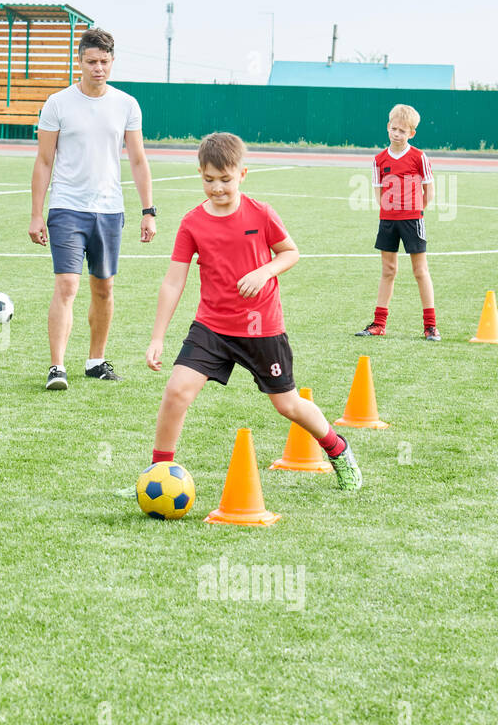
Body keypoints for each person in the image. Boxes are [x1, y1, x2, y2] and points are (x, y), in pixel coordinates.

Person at [146, 132, 362, 490]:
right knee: (176, 391)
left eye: (226, 180)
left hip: (261, 328)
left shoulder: (261, 214)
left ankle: (339, 450)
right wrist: (157, 337)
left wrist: (264, 272)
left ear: (242, 174)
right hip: (212, 326)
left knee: (288, 405)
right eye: (209, 180)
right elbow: (173, 281)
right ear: (200, 173)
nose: (217, 188)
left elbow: (290, 252)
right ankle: (156, 475)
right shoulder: (191, 223)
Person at [29, 27, 155, 390]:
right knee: (67, 285)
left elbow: (138, 160)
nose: (97, 68)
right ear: (79, 61)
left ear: (112, 62)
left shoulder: (127, 105)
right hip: (67, 207)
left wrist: (149, 210)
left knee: (104, 289)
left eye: (103, 62)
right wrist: (37, 213)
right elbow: (43, 161)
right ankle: (57, 367)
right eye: (90, 62)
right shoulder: (57, 103)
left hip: (109, 211)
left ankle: (95, 361)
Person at [355, 103, 438, 340]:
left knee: (420, 271)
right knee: (388, 270)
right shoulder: (379, 160)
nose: (397, 134)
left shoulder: (419, 157)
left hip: (412, 221)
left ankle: (430, 325)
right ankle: (379, 324)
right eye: (394, 129)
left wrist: (414, 212)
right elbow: (379, 192)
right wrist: (389, 212)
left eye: (403, 131)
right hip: (388, 221)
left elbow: (428, 191)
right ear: (388, 127)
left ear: (411, 133)